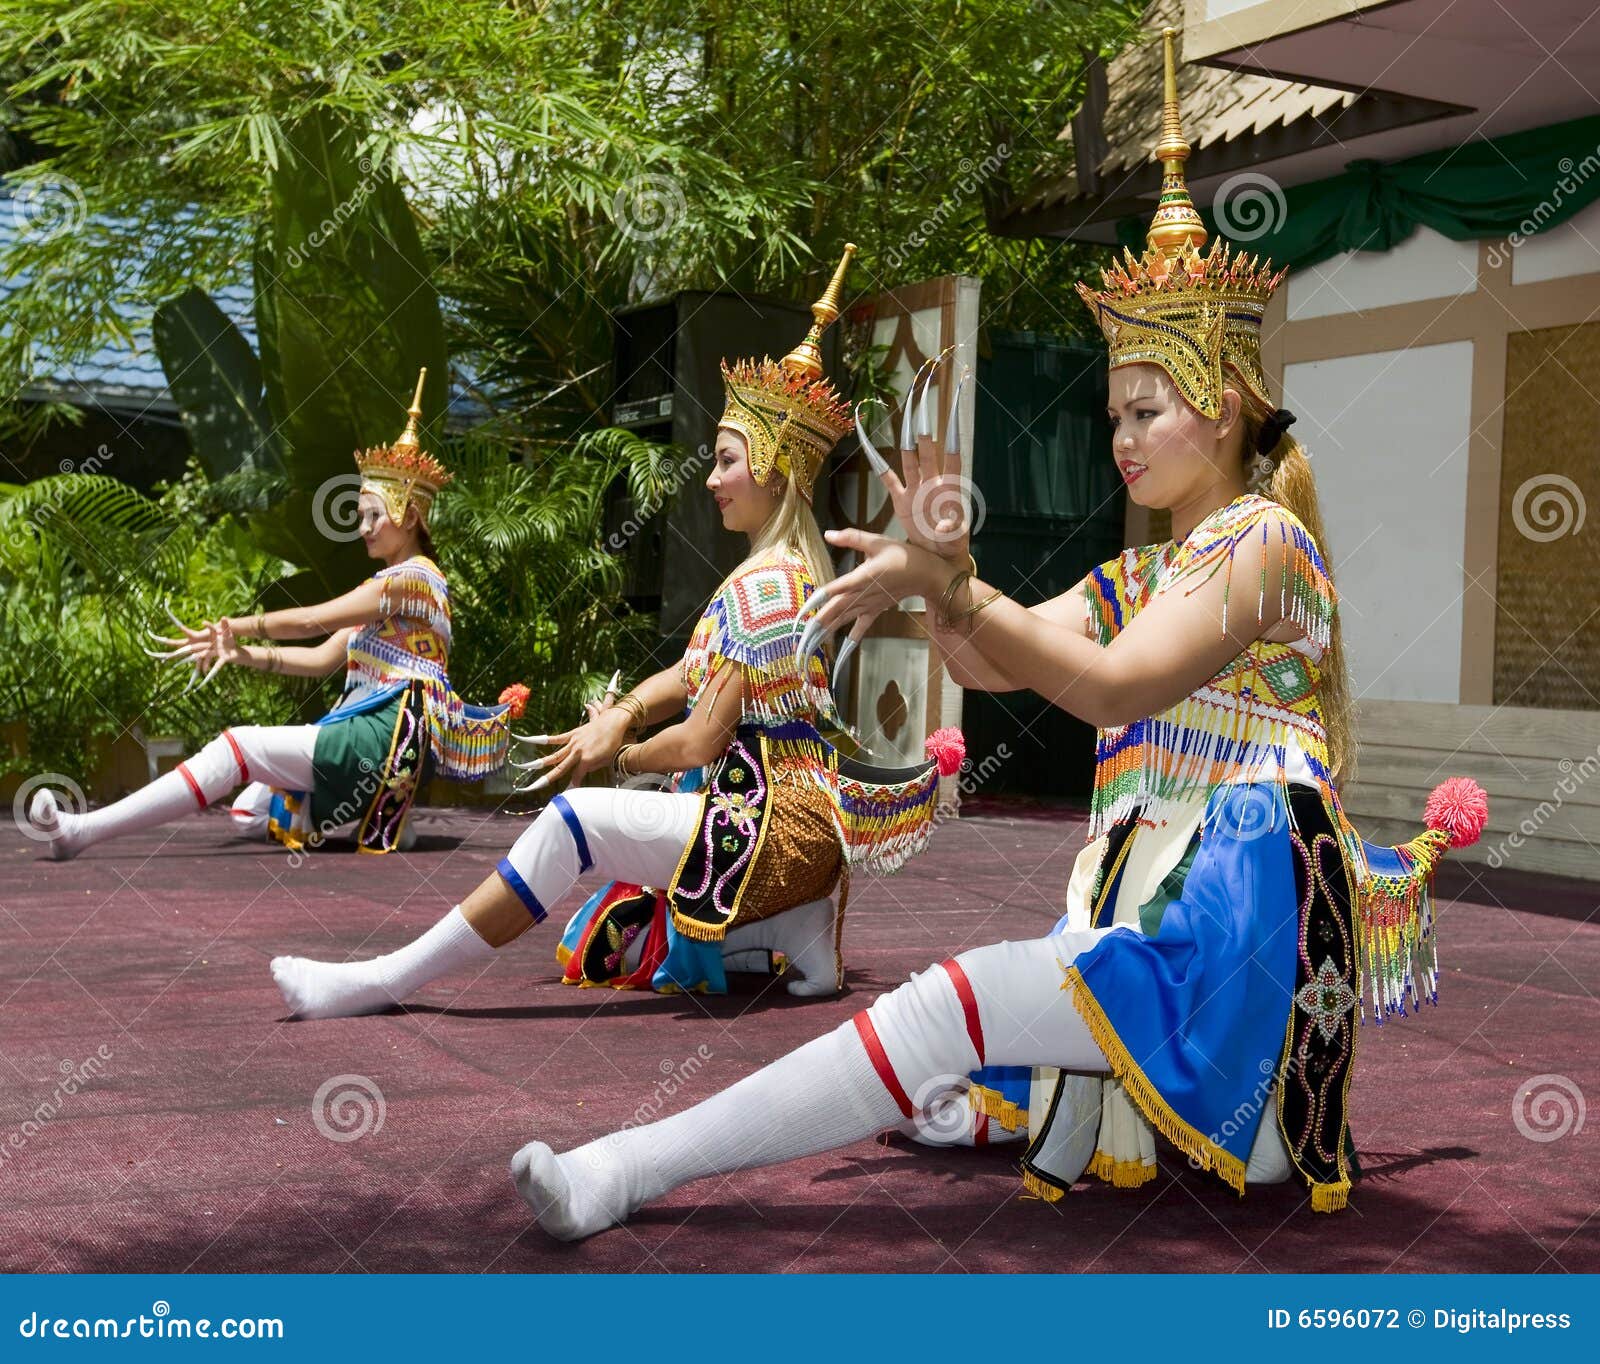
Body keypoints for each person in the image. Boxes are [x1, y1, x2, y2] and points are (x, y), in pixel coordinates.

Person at [503, 29, 1488, 1239]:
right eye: (1112, 409)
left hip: (1236, 925)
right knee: (947, 1023)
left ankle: (625, 1168)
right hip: (1160, 912)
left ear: (1223, 401)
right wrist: (941, 582)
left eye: (1147, 406)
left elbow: (1116, 686)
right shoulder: (1146, 564)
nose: (1122, 435)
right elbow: (988, 662)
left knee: (945, 1005)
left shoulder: (1265, 550)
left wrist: (958, 591)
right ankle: (635, 1163)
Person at [269, 245, 963, 1019]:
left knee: (574, 820)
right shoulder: (781, 575)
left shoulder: (766, 585)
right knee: (601, 838)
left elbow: (701, 741)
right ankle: (793, 924)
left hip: (768, 822)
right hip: (777, 815)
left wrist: (619, 754)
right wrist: (629, 710)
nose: (710, 476)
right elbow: (695, 677)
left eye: (727, 459)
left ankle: (383, 981)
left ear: (773, 470)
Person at [26, 370, 517, 861]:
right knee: (248, 809)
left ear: (409, 518)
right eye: (361, 515)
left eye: (375, 515)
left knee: (236, 747)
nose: (364, 528)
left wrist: (238, 624)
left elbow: (311, 622)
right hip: (379, 740)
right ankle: (386, 818)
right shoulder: (389, 592)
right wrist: (242, 653)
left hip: (383, 739)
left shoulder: (413, 581)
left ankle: (81, 830)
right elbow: (321, 658)